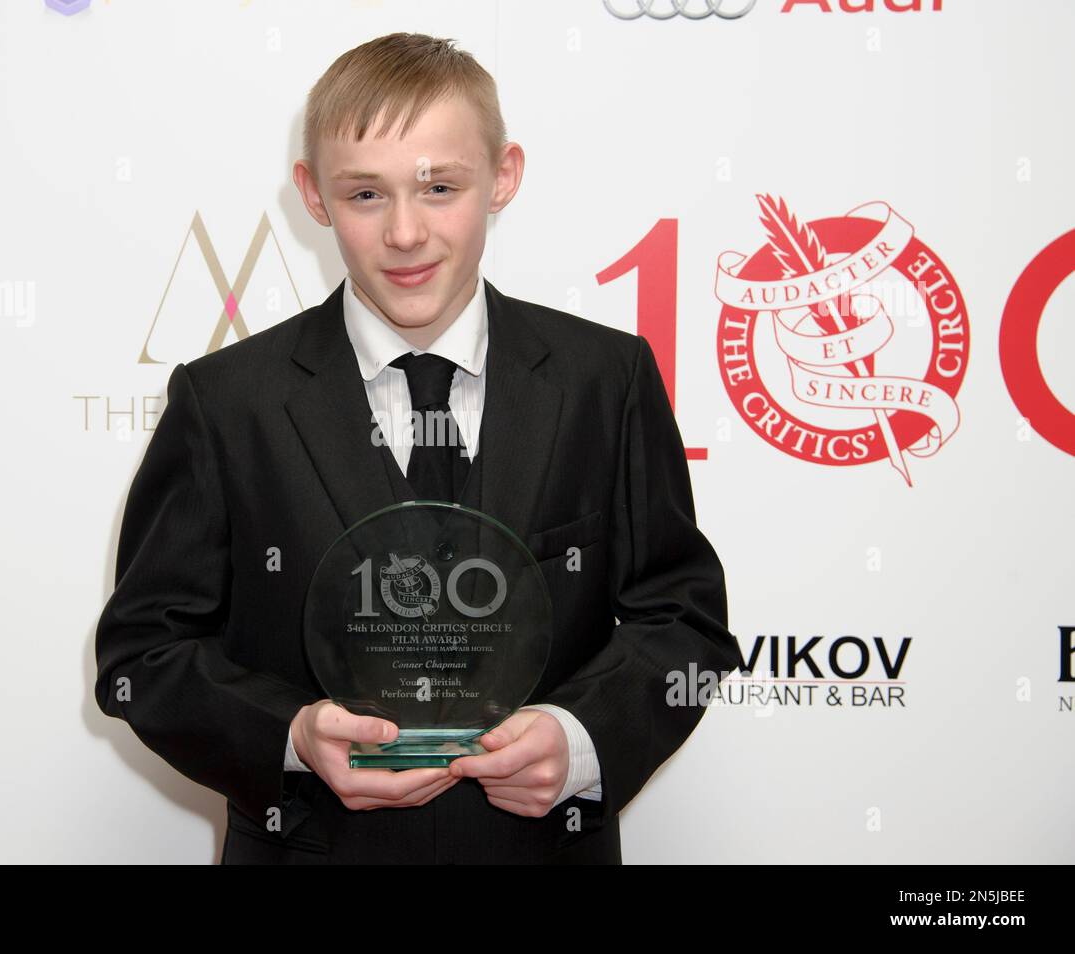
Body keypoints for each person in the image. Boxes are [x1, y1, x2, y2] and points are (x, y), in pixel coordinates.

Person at [94, 31, 739, 864]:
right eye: (366, 194)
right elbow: (142, 657)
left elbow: (682, 619)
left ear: (503, 177)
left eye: (440, 187)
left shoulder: (604, 379)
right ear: (312, 195)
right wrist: (291, 737)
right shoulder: (227, 401)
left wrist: (581, 738)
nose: (405, 232)